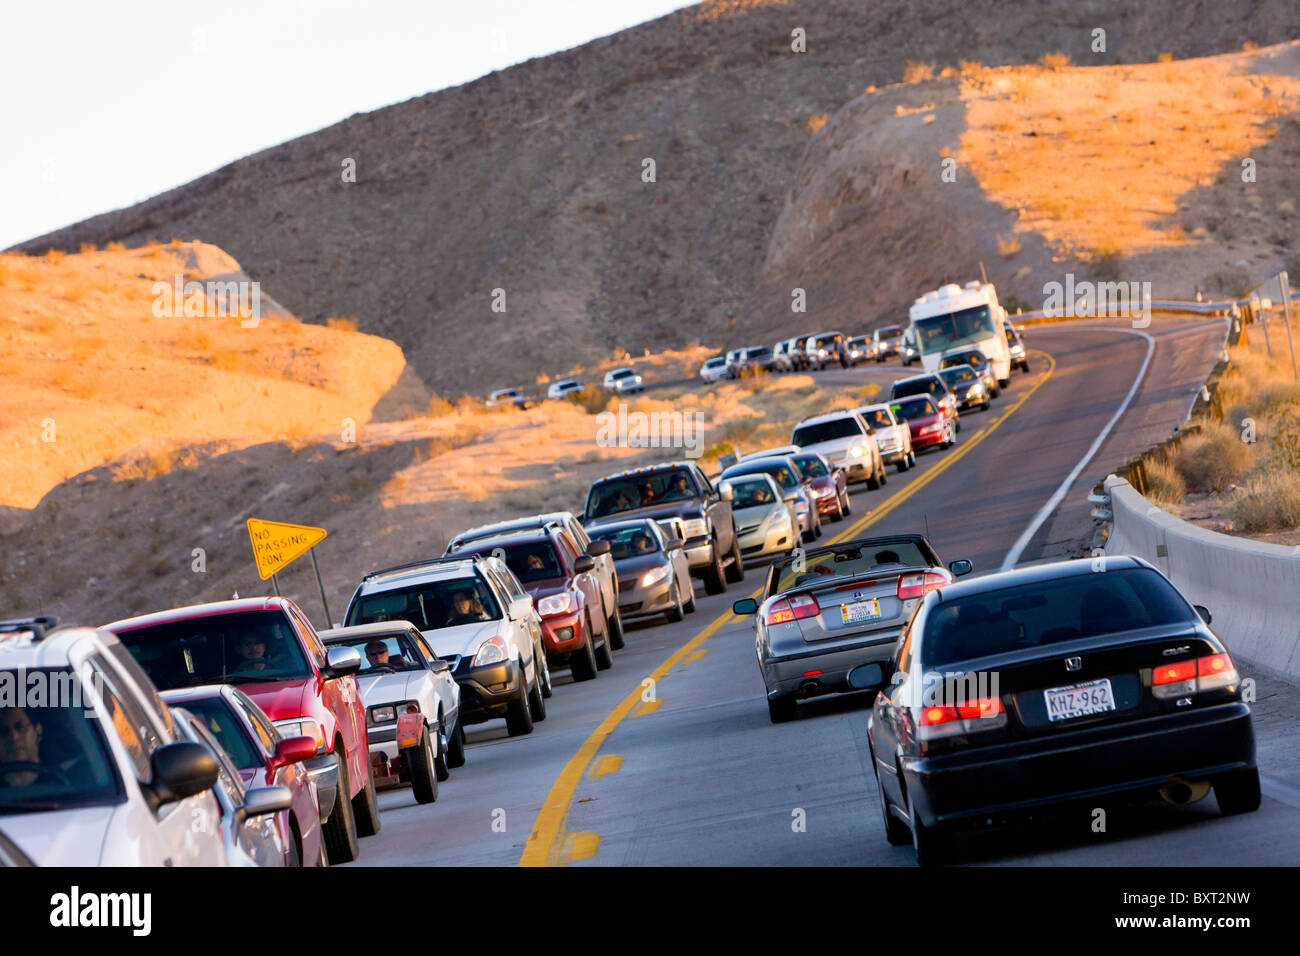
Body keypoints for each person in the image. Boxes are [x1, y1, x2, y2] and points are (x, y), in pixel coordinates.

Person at [0, 706, 45, 787]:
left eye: (21, 727)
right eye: (3, 731)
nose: (13, 737)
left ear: (38, 731)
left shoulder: (64, 784)